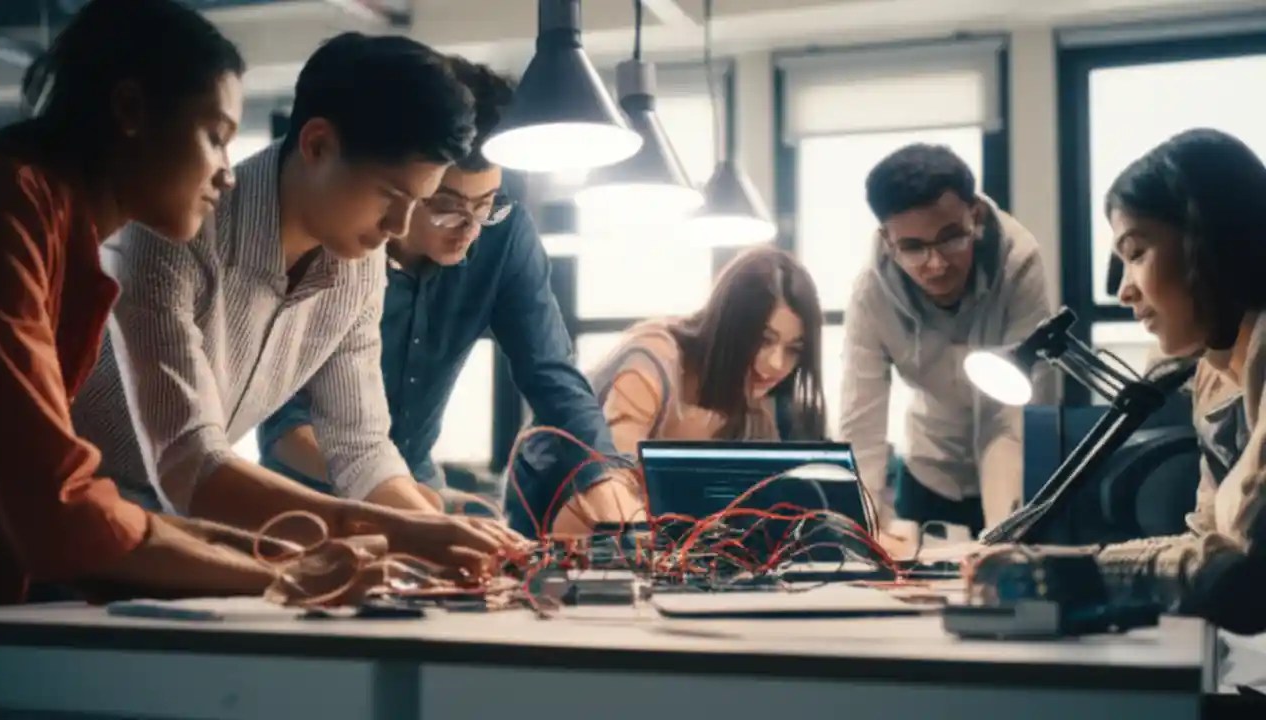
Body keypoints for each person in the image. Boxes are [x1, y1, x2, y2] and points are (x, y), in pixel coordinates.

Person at [69, 34, 520, 577]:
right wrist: (405, 533)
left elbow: (360, 449)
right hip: (57, 523)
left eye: (419, 203)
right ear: (317, 144)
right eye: (390, 196)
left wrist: (448, 535)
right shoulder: (173, 223)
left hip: (180, 531)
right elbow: (191, 464)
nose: (399, 228)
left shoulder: (360, 262)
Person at [0, 0, 284, 604]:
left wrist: (257, 552)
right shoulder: (8, 207)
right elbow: (59, 510)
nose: (227, 174)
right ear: (130, 110)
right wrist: (284, 580)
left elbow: (69, 509)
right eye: (215, 137)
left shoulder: (54, 225)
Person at [258, 57, 633, 530]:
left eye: (486, 206)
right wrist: (394, 494)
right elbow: (283, 428)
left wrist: (603, 476)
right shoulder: (335, 245)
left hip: (415, 487)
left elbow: (550, 372)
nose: (471, 231)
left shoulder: (504, 233)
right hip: (305, 497)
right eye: (447, 207)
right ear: (414, 182)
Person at [509, 245, 828, 537]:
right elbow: (612, 486)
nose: (774, 363)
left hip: (646, 534)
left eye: (793, 349)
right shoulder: (653, 360)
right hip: (548, 503)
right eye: (764, 339)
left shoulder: (765, 399)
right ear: (731, 325)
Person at [1084, 128, 1266, 635]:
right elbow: (1208, 540)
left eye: (1136, 253)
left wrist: (1076, 573)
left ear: (1207, 240)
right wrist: (1072, 562)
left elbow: (1243, 577)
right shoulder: (1214, 374)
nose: (1123, 291)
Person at [838, 144, 1053, 546]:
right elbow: (860, 424)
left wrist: (1001, 537)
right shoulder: (870, 293)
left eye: (951, 238)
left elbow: (1013, 416)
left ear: (976, 217)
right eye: (914, 248)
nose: (935, 265)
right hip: (927, 471)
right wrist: (864, 535)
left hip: (1013, 469)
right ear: (887, 240)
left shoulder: (1018, 263)